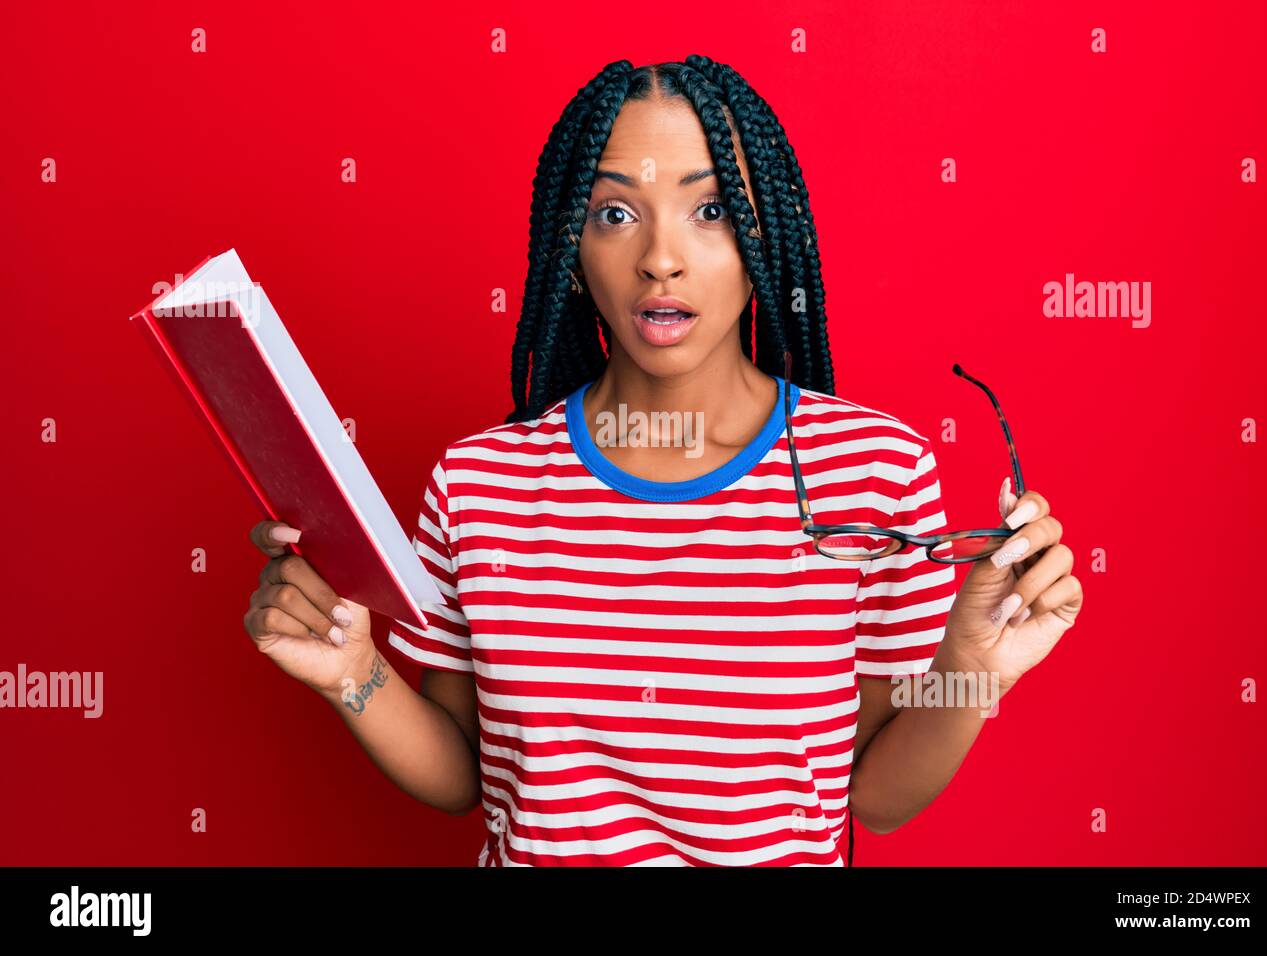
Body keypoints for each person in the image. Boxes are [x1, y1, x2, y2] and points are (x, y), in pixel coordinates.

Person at [243, 56, 1083, 866]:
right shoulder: (479, 484)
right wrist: (353, 673)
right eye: (615, 213)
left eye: (710, 210)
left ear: (766, 243)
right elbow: (469, 771)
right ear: (571, 252)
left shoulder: (871, 471)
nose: (660, 257)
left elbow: (875, 796)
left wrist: (972, 670)